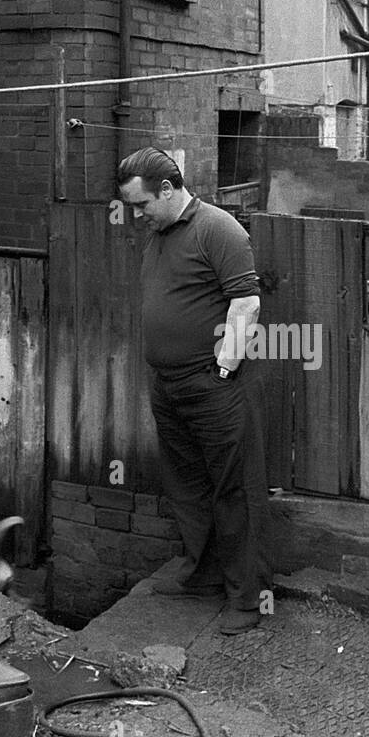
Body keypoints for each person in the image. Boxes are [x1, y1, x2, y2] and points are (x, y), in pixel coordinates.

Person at [117, 147, 273, 635]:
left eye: (142, 205)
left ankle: (248, 599)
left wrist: (224, 369)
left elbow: (245, 303)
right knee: (188, 487)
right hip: (169, 384)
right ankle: (204, 575)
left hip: (213, 386)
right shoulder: (160, 234)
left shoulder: (219, 229)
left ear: (167, 189)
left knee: (235, 491)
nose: (138, 216)